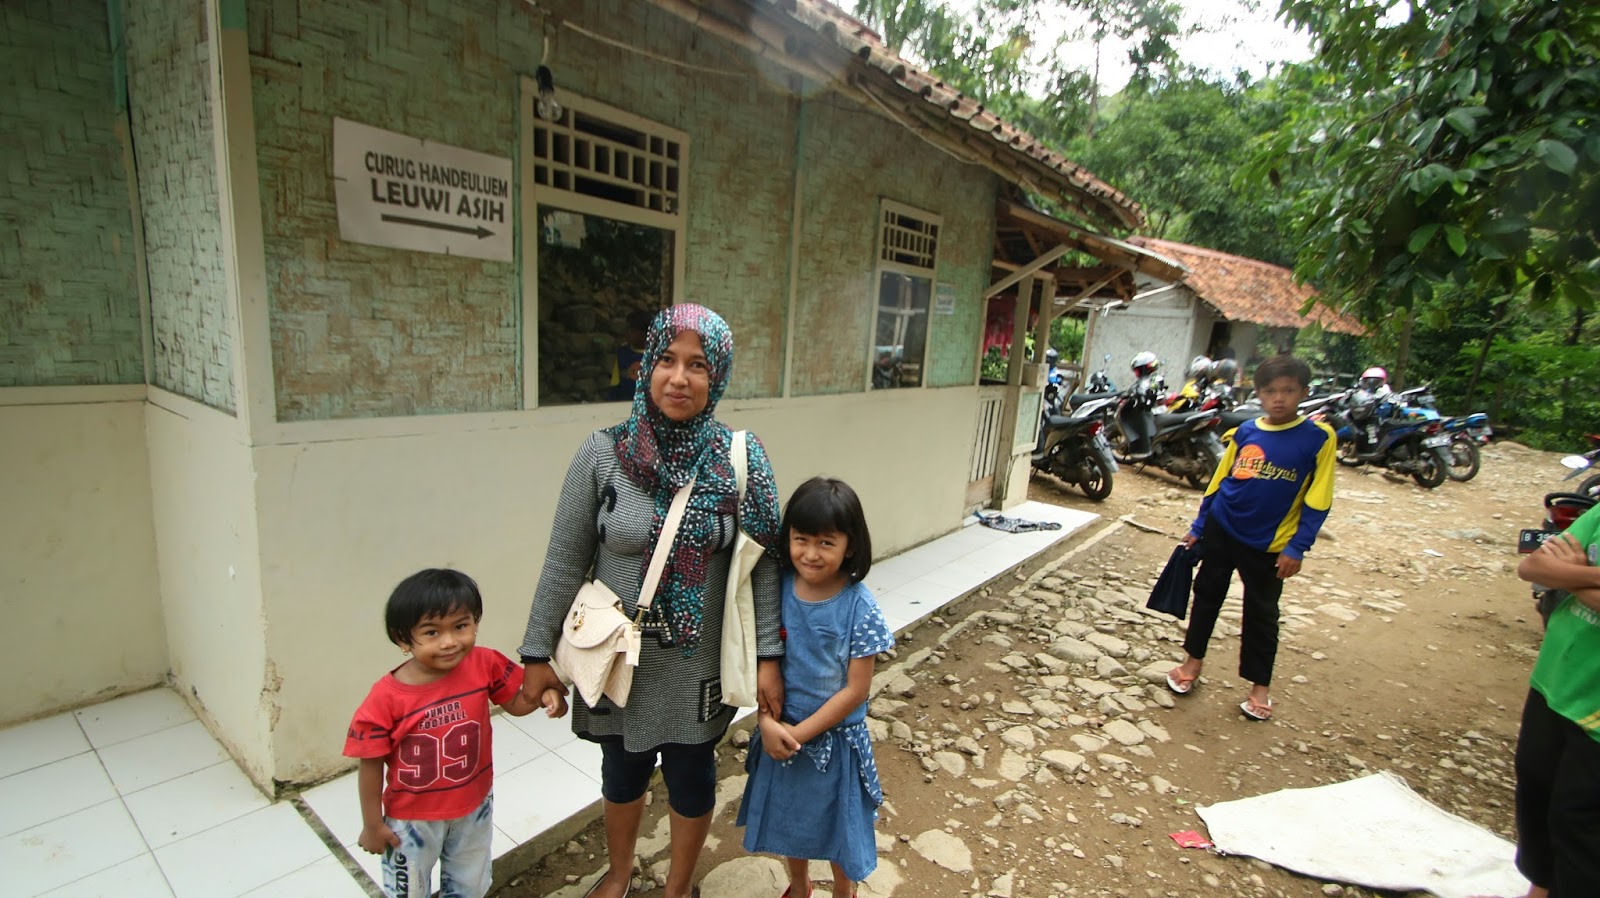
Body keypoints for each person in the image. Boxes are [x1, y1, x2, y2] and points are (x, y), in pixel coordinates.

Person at [518, 303, 784, 898]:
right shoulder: (602, 452)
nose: (679, 377)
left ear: (718, 376)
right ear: (646, 366)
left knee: (692, 777)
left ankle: (677, 887)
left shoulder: (741, 459)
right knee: (621, 771)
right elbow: (565, 557)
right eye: (666, 359)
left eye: (697, 364)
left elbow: (764, 568)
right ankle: (618, 875)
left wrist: (769, 654)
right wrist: (537, 652)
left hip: (695, 668)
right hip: (618, 661)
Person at [345, 568, 567, 898]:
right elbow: (371, 764)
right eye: (432, 632)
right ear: (403, 639)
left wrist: (542, 695)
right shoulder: (385, 698)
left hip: (474, 808)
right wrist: (372, 824)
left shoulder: (484, 663)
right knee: (409, 892)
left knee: (470, 886)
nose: (449, 642)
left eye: (460, 626)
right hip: (412, 822)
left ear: (475, 622)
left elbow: (517, 704)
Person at [737, 477, 895, 898]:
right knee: (792, 821)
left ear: (851, 546)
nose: (810, 553)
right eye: (800, 539)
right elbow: (763, 661)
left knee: (840, 828)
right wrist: (769, 723)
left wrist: (794, 735)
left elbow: (855, 691)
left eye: (826, 542)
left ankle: (844, 891)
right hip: (781, 731)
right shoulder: (778, 591)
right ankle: (800, 885)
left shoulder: (859, 608)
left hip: (835, 743)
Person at [1163, 354, 1336, 721]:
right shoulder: (1245, 432)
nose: (1279, 398)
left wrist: (1297, 547)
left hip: (1271, 546)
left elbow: (1318, 499)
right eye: (1270, 391)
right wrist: (1198, 527)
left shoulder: (1318, 438)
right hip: (1222, 530)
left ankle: (1260, 688)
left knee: (1261, 614)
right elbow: (1218, 482)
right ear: (1258, 393)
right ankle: (1191, 665)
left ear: (1304, 393)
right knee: (1206, 598)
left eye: (1288, 391)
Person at [1508, 503, 1600, 897]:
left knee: (1579, 821)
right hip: (1554, 680)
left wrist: (1567, 575)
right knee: (1537, 796)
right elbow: (1532, 569)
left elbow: (1550, 572)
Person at [606, 309, 655, 402]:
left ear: (646, 333)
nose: (627, 333)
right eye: (627, 329)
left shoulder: (658, 355)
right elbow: (615, 384)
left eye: (632, 330)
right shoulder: (623, 354)